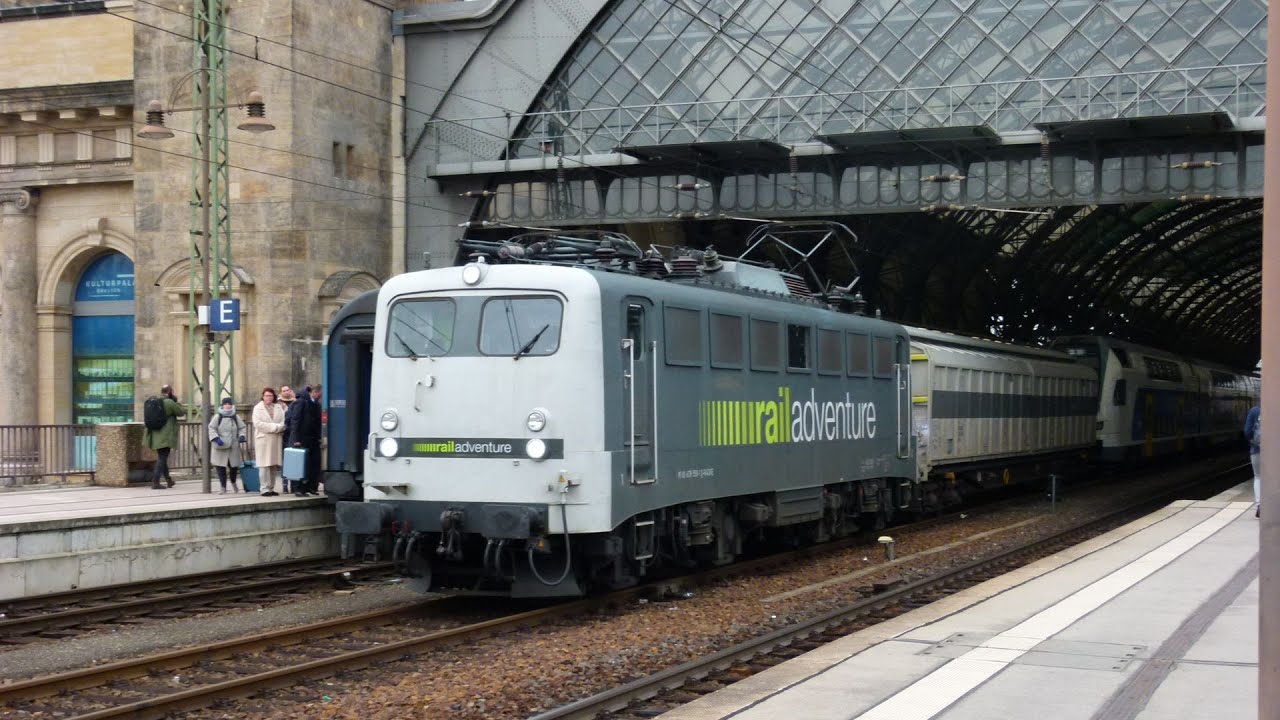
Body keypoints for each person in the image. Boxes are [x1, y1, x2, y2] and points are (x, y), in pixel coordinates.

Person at [144, 384, 184, 490]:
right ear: (170, 392)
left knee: (162, 457)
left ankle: (168, 480)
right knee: (162, 457)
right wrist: (175, 401)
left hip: (155, 434)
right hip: (165, 435)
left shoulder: (155, 400)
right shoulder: (169, 402)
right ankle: (155, 481)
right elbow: (181, 412)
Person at [286, 383, 324, 497]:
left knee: (313, 463)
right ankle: (298, 488)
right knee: (300, 464)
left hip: (312, 438)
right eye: (319, 393)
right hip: (301, 438)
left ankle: (311, 486)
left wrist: (319, 437)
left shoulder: (315, 403)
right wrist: (295, 438)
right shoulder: (301, 402)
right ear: (314, 392)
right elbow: (295, 420)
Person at [252, 387, 287, 497]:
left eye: (271, 395)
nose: (269, 397)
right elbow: (258, 424)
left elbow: (284, 421)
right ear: (263, 396)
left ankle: (271, 487)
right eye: (267, 395)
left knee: (273, 465)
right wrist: (274, 427)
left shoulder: (278, 407)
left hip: (275, 439)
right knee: (264, 465)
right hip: (263, 439)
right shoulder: (258, 408)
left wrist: (279, 427)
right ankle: (264, 488)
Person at [208, 397, 247, 494]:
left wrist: (242, 436)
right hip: (220, 446)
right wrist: (216, 438)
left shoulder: (235, 417)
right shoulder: (218, 417)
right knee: (220, 467)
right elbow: (211, 428)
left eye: (229, 404)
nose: (227, 406)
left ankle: (233, 483)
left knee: (233, 467)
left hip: (233, 446)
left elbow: (242, 427)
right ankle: (223, 487)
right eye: (225, 404)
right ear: (222, 405)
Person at [1246, 404, 1261, 518]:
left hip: (1257, 450)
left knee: (1258, 477)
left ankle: (1260, 505)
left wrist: (1253, 441)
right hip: (1275, 451)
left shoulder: (1254, 411)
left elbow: (1247, 431)